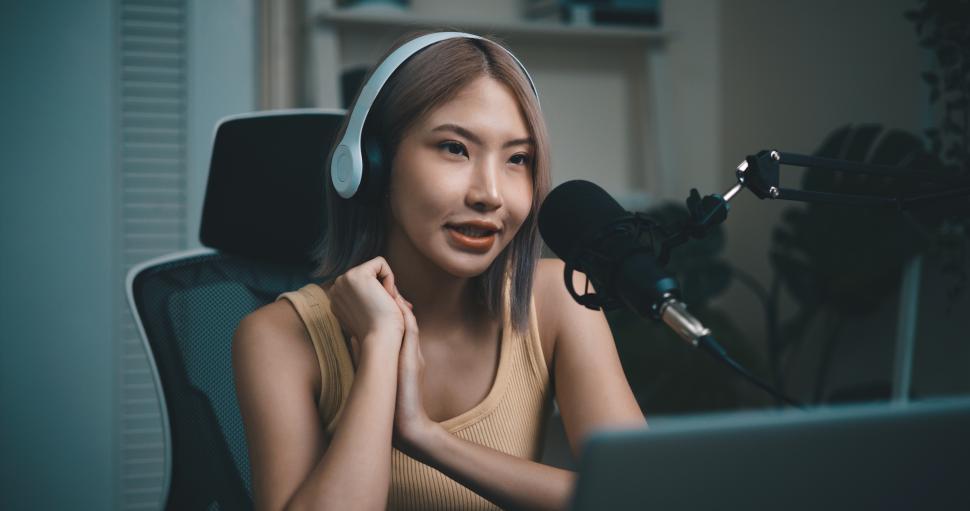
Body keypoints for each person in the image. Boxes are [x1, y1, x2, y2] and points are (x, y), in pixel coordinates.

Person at [232, 31, 646, 511]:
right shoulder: (278, 337)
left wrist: (427, 438)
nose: (489, 193)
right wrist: (380, 347)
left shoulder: (557, 298)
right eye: (455, 148)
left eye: (518, 159)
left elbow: (638, 497)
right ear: (374, 165)